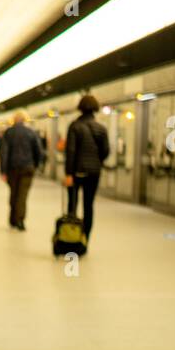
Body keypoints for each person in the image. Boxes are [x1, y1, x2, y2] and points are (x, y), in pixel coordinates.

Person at [64, 94, 110, 245]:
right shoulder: (101, 128)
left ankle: (71, 236)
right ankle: (85, 239)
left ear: (81, 108)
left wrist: (68, 174)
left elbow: (70, 151)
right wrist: (97, 162)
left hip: (76, 172)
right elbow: (105, 151)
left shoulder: (74, 126)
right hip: (94, 172)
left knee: (73, 203)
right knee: (88, 205)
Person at [0, 111, 44, 230]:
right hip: (28, 167)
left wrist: (3, 171)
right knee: (22, 195)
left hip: (12, 168)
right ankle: (20, 220)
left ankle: (12, 219)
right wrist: (36, 165)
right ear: (25, 120)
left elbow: (4, 152)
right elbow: (39, 151)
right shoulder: (31, 132)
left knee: (14, 193)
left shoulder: (8, 133)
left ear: (14, 120)